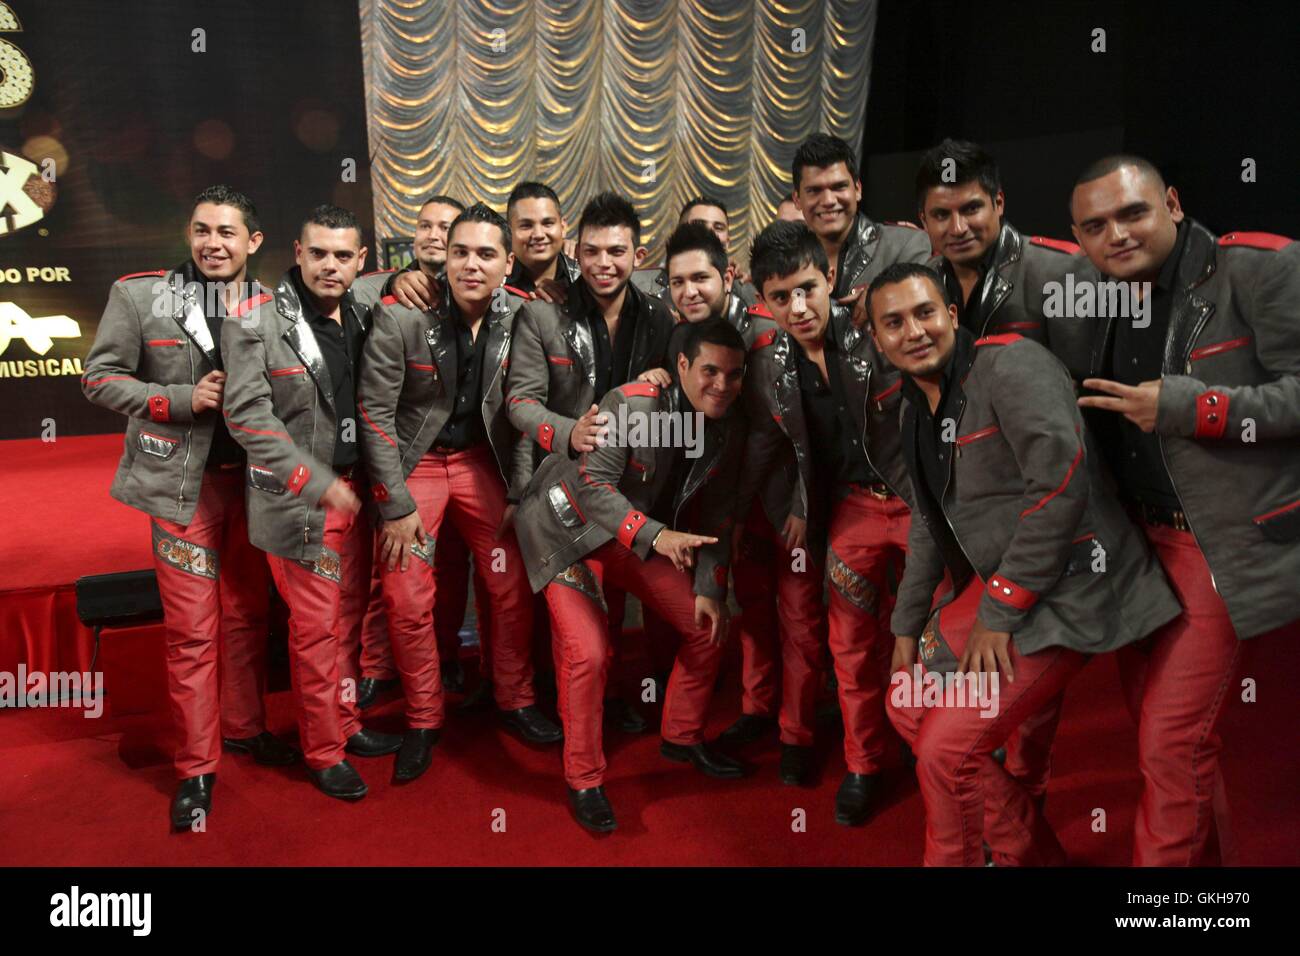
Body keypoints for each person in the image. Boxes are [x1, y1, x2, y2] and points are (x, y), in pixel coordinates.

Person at [868, 260, 1179, 866]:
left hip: (1075, 586)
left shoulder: (1012, 365)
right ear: (878, 340)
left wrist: (1000, 608)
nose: (915, 331)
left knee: (943, 753)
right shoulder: (911, 409)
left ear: (951, 314)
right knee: (906, 700)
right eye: (895, 322)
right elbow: (930, 520)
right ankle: (1029, 853)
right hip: (1002, 591)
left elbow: (1061, 487)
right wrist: (905, 625)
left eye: (925, 313)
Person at [1066, 155, 1300, 865]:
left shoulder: (1258, 268)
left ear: (1171, 203)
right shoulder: (1093, 294)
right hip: (1133, 545)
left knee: (1171, 740)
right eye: (1095, 226)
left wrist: (1193, 408)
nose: (1117, 235)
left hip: (1212, 543)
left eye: (1133, 213)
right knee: (1166, 734)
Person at [81, 185, 295, 831]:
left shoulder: (274, 304)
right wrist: (178, 399)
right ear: (188, 233)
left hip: (253, 488)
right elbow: (99, 378)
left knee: (249, 615)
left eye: (227, 233)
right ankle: (196, 770)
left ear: (253, 241)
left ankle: (246, 729)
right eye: (202, 230)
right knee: (193, 631)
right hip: (183, 490)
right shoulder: (140, 295)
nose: (213, 244)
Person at [512, 320, 748, 832]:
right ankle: (584, 778)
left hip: (632, 536)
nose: (722, 385)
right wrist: (657, 537)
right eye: (710, 371)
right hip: (567, 529)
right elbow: (593, 487)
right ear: (682, 365)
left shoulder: (727, 426)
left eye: (734, 375)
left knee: (708, 624)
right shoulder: (633, 405)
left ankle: (682, 735)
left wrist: (711, 587)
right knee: (588, 653)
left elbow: (719, 513)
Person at [358, 203, 561, 752]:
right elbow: (374, 416)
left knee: (511, 585)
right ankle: (424, 717)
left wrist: (519, 490)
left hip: (480, 462)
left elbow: (526, 412)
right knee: (406, 597)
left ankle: (515, 700)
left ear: (507, 263)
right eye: (461, 252)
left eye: (486, 254)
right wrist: (394, 504)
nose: (472, 265)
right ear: (444, 258)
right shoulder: (402, 315)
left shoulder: (523, 315)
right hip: (416, 464)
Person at [222, 204, 403, 801]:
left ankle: (345, 723)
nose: (330, 265)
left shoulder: (367, 310)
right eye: (318, 253)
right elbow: (247, 415)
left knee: (345, 624)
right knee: (317, 630)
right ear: (297, 252)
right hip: (299, 502)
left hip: (355, 496)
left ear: (361, 261)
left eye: (343, 255)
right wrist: (312, 479)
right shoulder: (253, 321)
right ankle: (323, 749)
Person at [745, 220, 913, 824]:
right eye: (781, 296)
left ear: (831, 277)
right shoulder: (768, 364)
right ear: (763, 301)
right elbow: (768, 447)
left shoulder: (880, 328)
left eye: (807, 289)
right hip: (849, 511)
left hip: (918, 504)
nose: (798, 307)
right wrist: (789, 507)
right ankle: (863, 764)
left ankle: (933, 746)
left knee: (929, 634)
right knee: (849, 646)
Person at [354, 195, 471, 707]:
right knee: (394, 566)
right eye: (425, 226)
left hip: (467, 457)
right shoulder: (382, 290)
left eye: (445, 227)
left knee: (456, 567)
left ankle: (446, 657)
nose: (432, 235)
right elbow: (354, 289)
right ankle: (378, 667)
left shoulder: (477, 290)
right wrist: (395, 281)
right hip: (405, 455)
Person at [791, 133, 932, 325]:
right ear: (797, 199)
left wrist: (880, 298)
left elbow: (926, 310)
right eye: (814, 191)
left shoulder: (906, 244)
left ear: (857, 190)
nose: (828, 200)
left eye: (839, 187)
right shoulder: (784, 260)